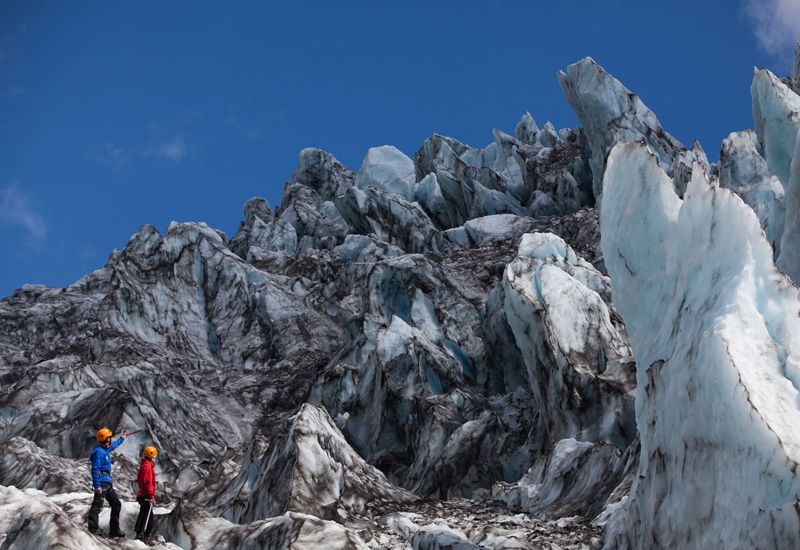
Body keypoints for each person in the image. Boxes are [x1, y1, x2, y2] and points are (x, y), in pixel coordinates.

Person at [87, 427, 128, 537]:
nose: (110, 441)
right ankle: (93, 528)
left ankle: (114, 530)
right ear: (105, 440)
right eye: (109, 439)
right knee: (97, 505)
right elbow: (94, 469)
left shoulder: (104, 449)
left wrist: (121, 439)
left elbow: (113, 446)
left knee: (116, 504)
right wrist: (97, 485)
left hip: (107, 483)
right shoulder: (98, 452)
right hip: (102, 482)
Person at [134, 445, 159, 545]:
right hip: (146, 495)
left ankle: (139, 534)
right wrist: (151, 496)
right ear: (152, 455)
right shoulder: (148, 466)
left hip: (142, 494)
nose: (155, 457)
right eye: (155, 455)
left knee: (143, 513)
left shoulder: (144, 465)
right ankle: (142, 536)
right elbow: (148, 482)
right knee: (148, 517)